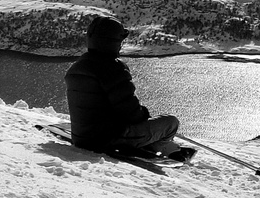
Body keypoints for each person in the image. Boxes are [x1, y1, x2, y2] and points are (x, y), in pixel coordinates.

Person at [64, 16, 194, 161]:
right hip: (109, 140)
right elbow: (131, 112)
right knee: (171, 123)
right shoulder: (112, 68)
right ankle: (158, 147)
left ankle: (151, 144)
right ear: (111, 42)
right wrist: (146, 117)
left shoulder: (76, 67)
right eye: (119, 41)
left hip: (82, 138)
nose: (120, 46)